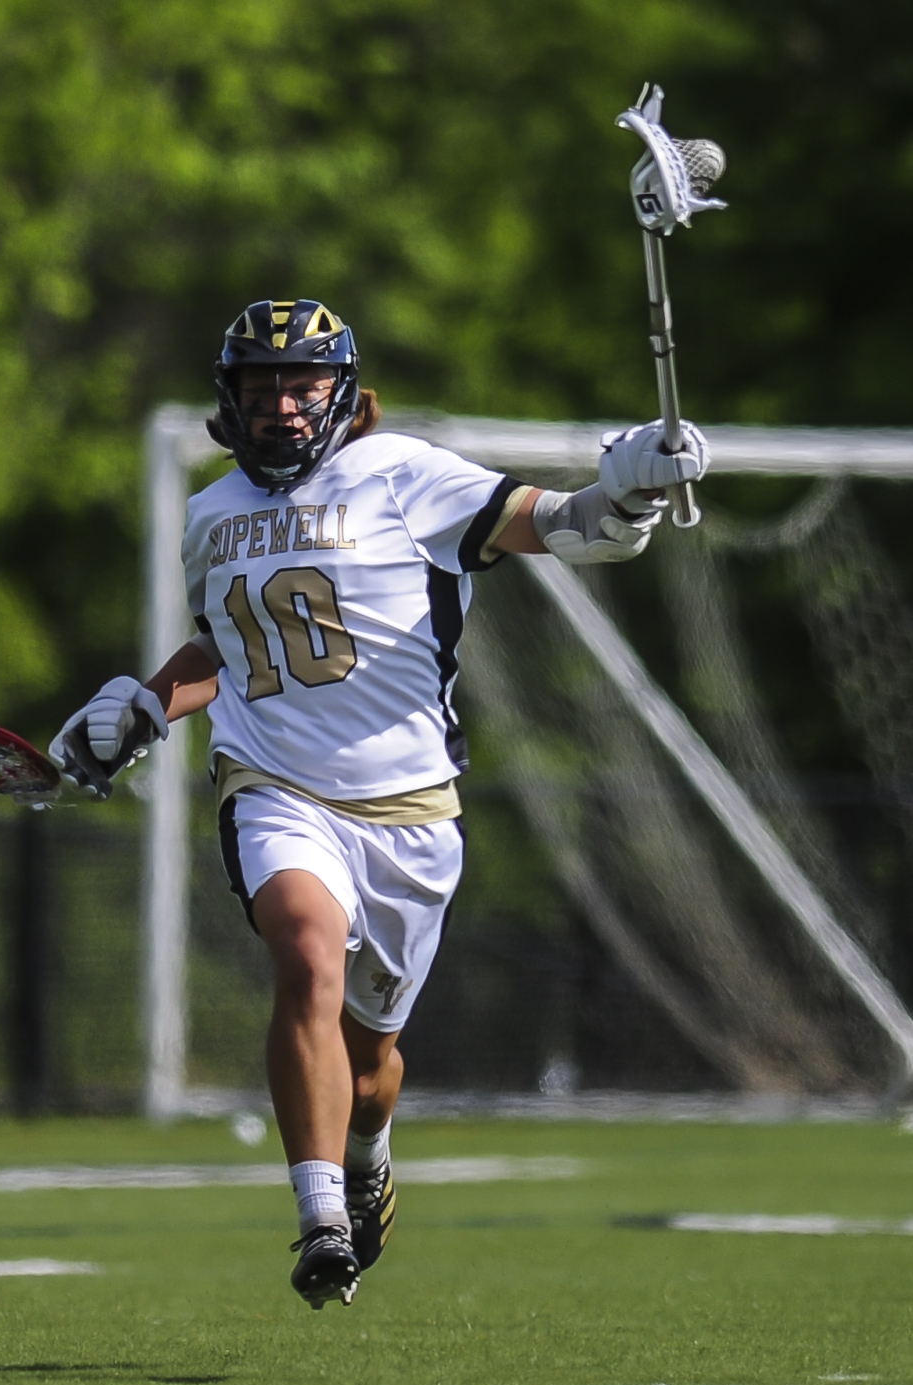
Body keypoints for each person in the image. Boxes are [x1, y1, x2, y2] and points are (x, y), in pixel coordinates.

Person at [51, 299, 708, 1311]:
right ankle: (320, 1217)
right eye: (261, 385)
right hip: (275, 783)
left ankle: (367, 1151)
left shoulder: (403, 472)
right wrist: (147, 701)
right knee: (306, 950)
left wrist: (624, 493)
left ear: (342, 390)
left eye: (300, 382)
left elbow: (568, 528)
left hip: (408, 814)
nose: (279, 403)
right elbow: (228, 651)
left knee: (373, 1065)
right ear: (230, 399)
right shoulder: (211, 513)